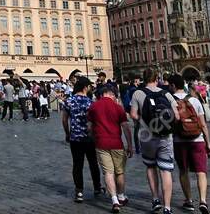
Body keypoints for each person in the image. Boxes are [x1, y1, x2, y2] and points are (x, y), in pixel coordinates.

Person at [130, 68, 177, 214]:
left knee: (150, 167)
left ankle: (156, 199)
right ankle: (167, 207)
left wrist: (144, 121)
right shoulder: (166, 93)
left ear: (143, 79)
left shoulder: (138, 93)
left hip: (147, 136)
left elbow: (133, 114)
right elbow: (177, 116)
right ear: (157, 78)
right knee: (166, 170)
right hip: (165, 136)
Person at [168, 75, 210, 214]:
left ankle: (189, 201)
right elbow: (203, 124)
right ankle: (203, 201)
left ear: (173, 86)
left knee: (183, 171)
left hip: (179, 141)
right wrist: (208, 143)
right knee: (201, 171)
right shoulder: (195, 100)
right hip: (197, 140)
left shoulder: (171, 101)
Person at [89, 85, 132, 213]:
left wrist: (94, 138)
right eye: (114, 95)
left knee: (108, 172)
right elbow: (125, 127)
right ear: (110, 94)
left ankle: (114, 200)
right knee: (119, 172)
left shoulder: (94, 107)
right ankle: (121, 196)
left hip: (101, 144)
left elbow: (89, 127)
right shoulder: (118, 108)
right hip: (117, 144)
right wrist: (130, 145)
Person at [64, 77, 102, 202]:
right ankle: (97, 187)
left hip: (75, 137)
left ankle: (79, 192)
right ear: (85, 87)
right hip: (89, 138)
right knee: (93, 163)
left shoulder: (69, 101)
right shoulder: (91, 102)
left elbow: (64, 120)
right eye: (89, 86)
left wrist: (67, 133)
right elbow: (96, 121)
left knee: (77, 165)